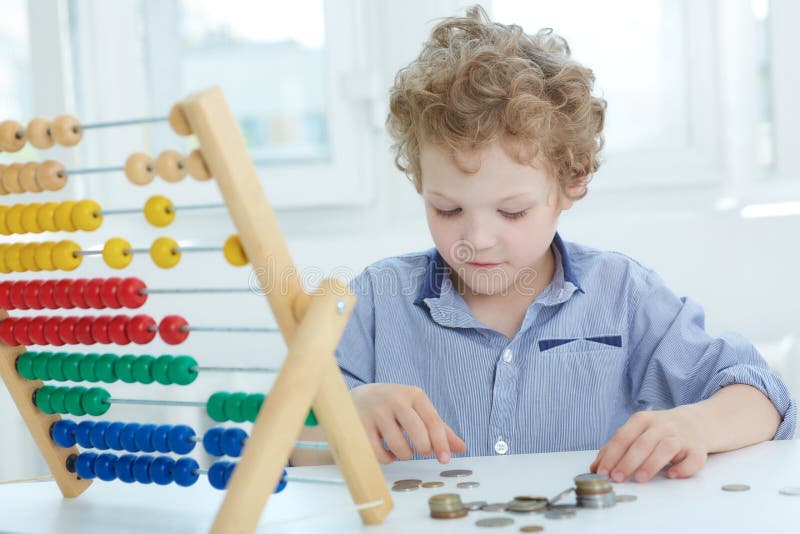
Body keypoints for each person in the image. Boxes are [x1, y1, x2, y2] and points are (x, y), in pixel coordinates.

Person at [291, 5, 796, 483]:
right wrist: (339, 425)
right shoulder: (378, 300)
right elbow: (288, 444)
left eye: (511, 212)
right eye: (447, 209)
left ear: (571, 183)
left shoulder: (623, 295)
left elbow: (764, 395)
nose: (476, 239)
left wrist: (696, 427)